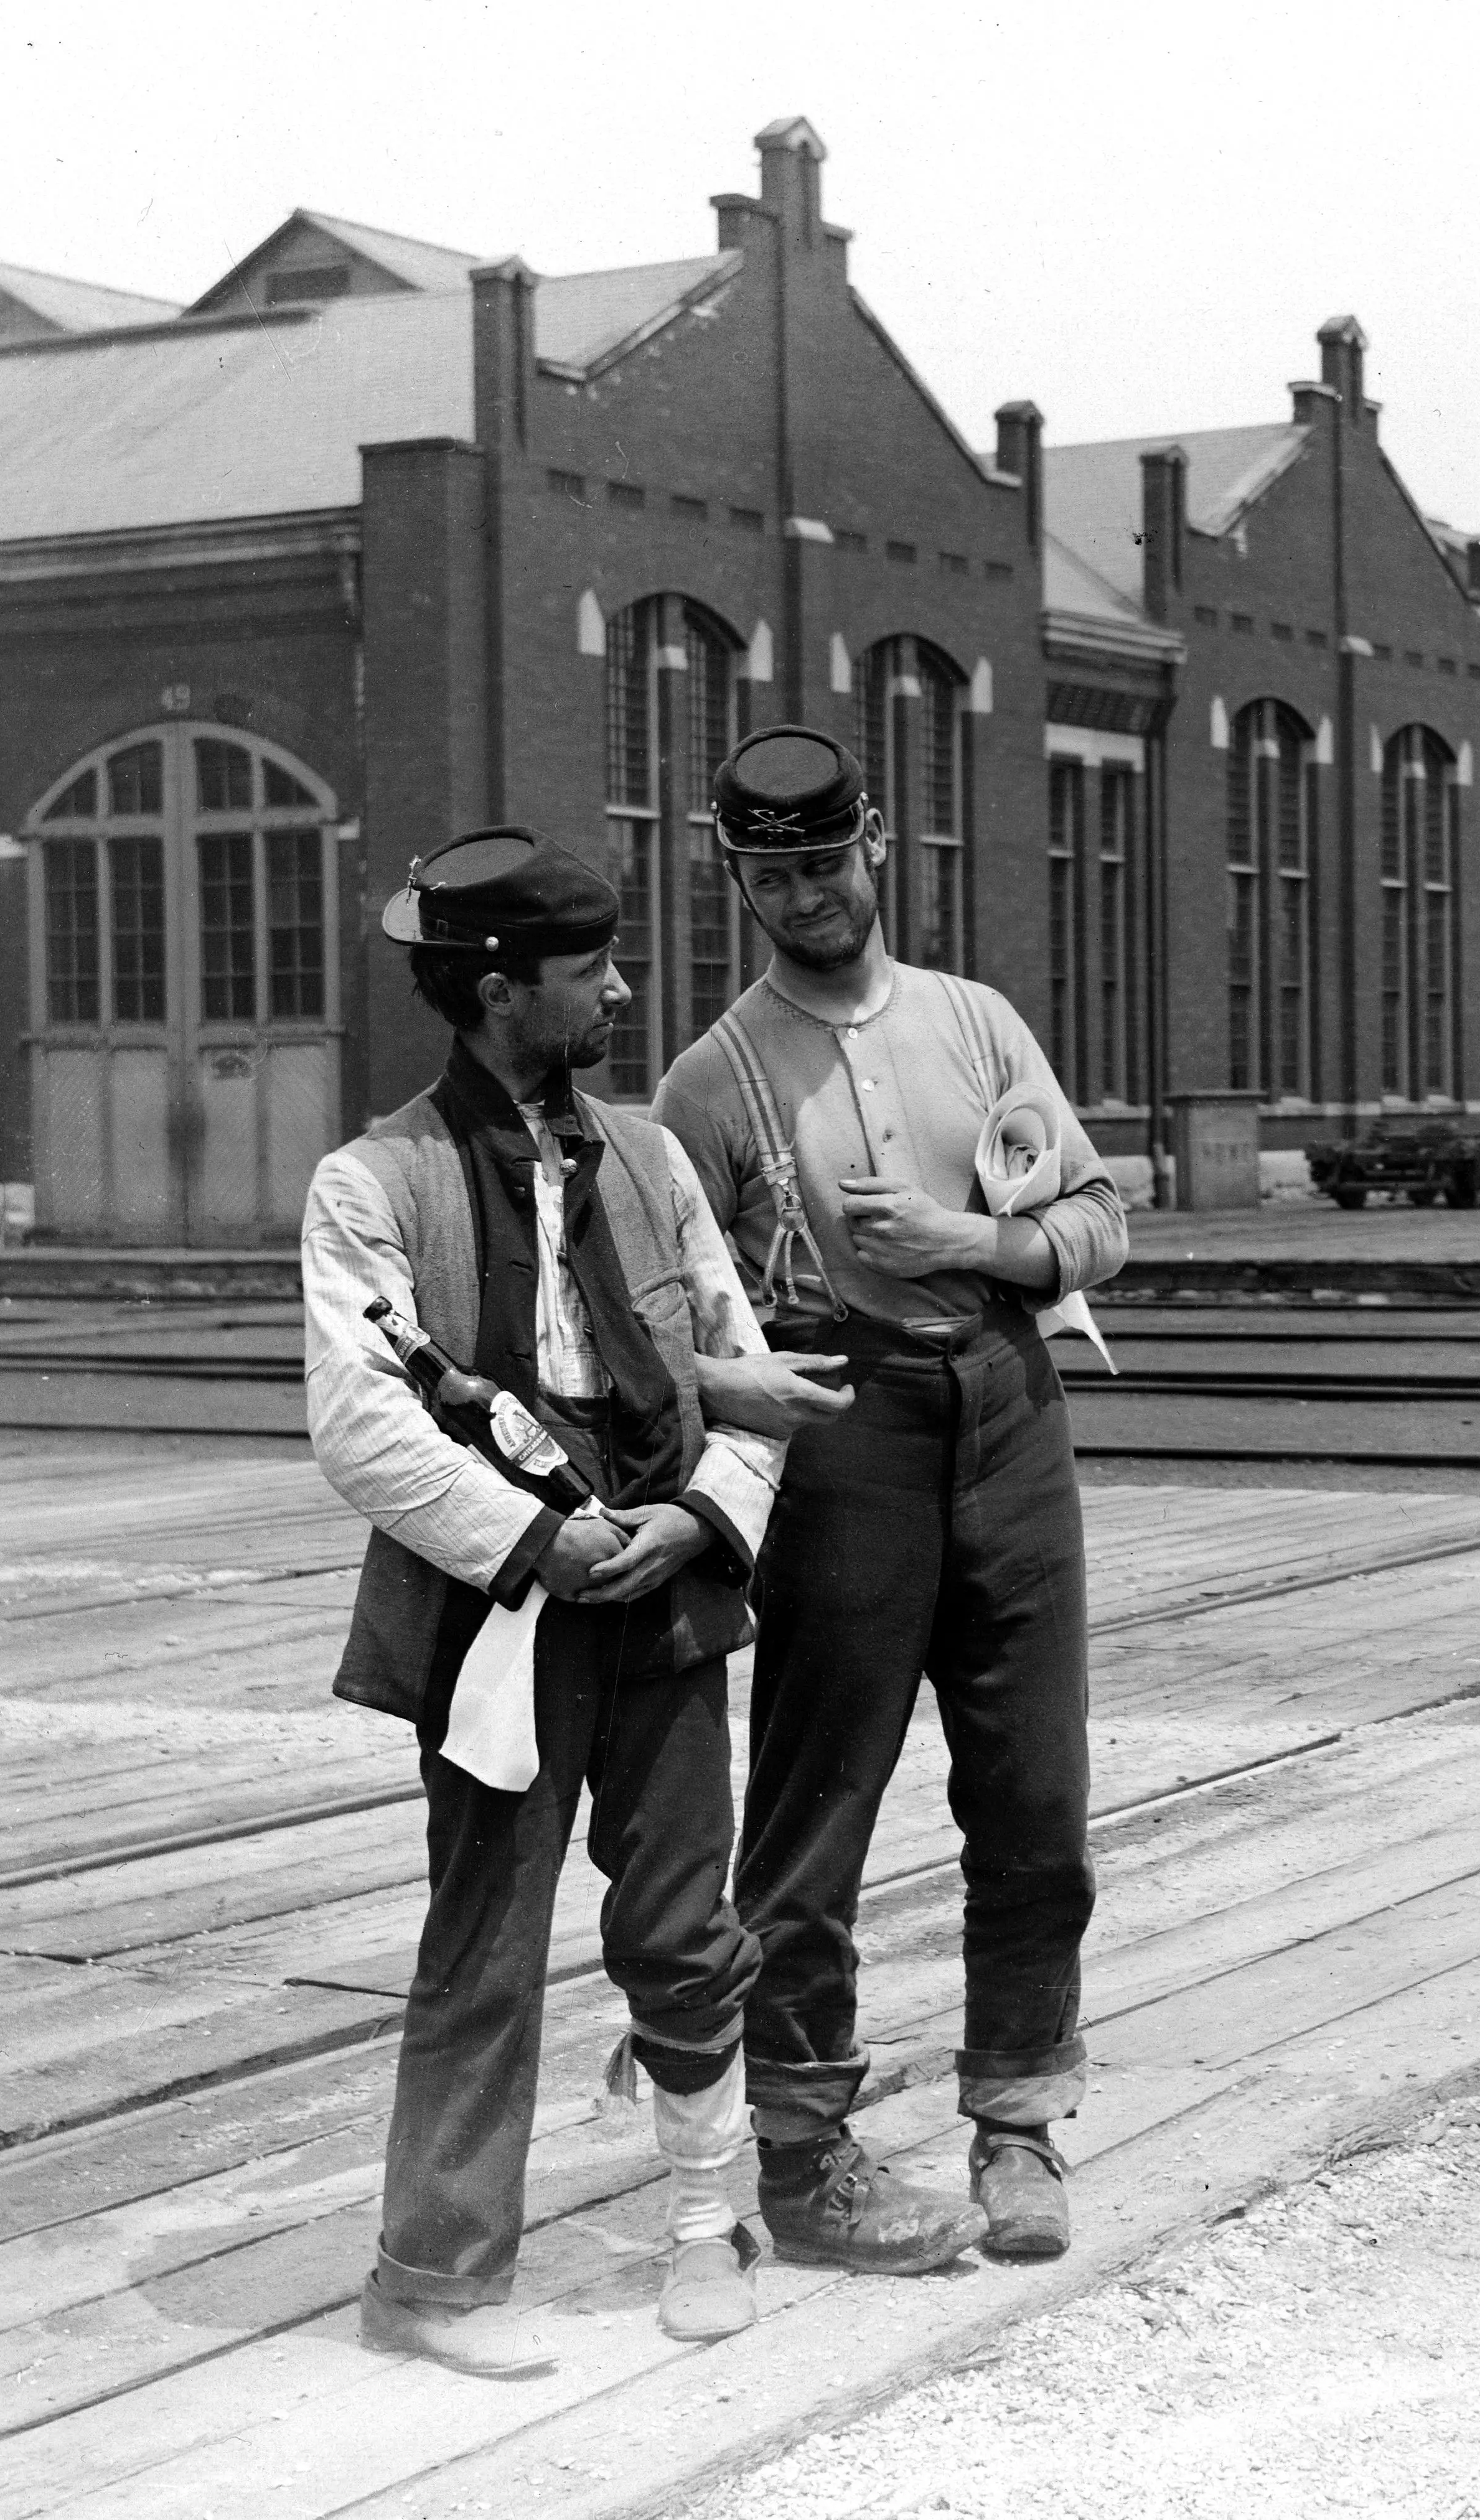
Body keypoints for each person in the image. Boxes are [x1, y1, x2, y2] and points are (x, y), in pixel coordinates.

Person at [301, 826, 845, 2374]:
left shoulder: (654, 1162)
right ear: (492, 991)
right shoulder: (371, 1184)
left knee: (684, 1928)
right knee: (483, 1946)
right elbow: (363, 1420)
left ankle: (705, 2226)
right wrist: (533, 1545)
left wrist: (699, 1518)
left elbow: (740, 1374)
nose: (615, 989)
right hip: (497, 1634)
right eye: (584, 971)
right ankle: (433, 2285)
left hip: (663, 1608)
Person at [655, 724, 1129, 2273]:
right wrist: (744, 1388)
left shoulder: (976, 1024)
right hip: (841, 1438)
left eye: (825, 864)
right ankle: (802, 2151)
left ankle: (1017, 2119)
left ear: (878, 848)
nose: (805, 899)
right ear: (737, 880)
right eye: (770, 876)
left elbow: (1097, 1216)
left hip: (1005, 1404)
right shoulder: (710, 1081)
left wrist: (967, 1245)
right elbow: (663, 1316)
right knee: (814, 1812)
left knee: (1034, 1790)